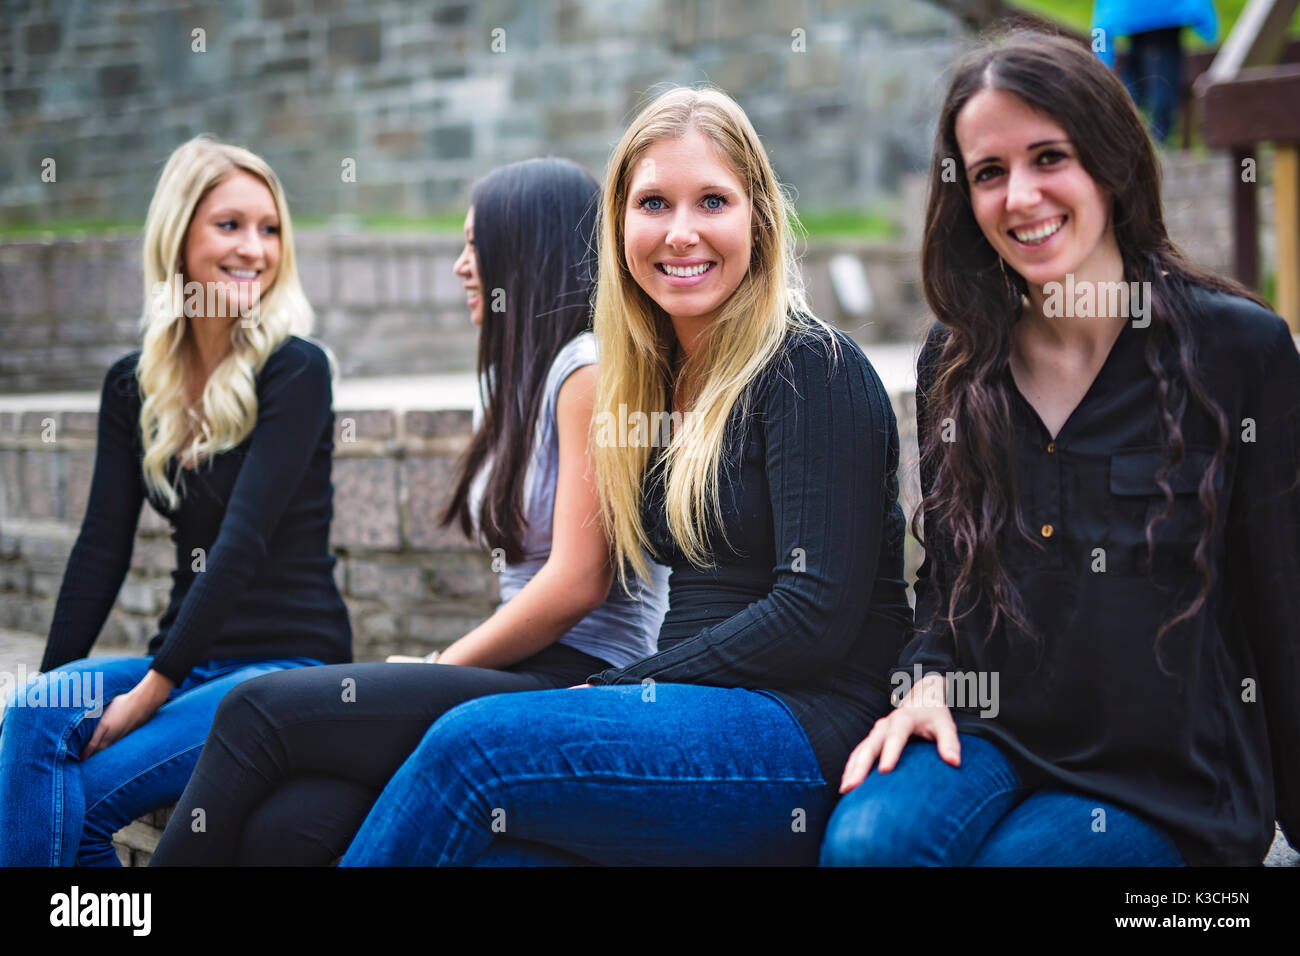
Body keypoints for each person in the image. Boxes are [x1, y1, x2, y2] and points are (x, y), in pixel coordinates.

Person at [339, 86, 913, 867]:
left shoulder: (812, 366)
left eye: (712, 200)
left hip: (805, 727)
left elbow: (812, 613)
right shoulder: (653, 381)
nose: (681, 233)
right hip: (684, 711)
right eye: (653, 204)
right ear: (618, 227)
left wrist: (620, 688)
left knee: (470, 748)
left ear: (760, 219)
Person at [821, 31, 1299, 867]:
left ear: (1110, 163)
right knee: (870, 845)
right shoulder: (957, 358)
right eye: (989, 173)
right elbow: (946, 584)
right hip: (993, 734)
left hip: (1166, 780)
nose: (1021, 197)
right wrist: (928, 679)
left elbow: (1284, 603)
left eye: (1050, 157)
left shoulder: (1240, 352)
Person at [150, 157, 669, 866]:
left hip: (582, 674)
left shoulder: (588, 370)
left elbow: (579, 581)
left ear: (528, 247)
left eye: (475, 246)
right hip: (521, 667)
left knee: (255, 712)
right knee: (291, 825)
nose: (460, 266)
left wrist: (443, 662)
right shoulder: (507, 379)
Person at [0, 136, 350, 866]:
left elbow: (242, 541)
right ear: (178, 235)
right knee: (32, 714)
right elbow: (101, 546)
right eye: (230, 225)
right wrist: (61, 694)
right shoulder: (133, 384)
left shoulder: (296, 370)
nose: (255, 248)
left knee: (88, 800)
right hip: (191, 659)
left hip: (286, 667)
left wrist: (152, 689)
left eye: (271, 228)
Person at [1091, 0, 1217, 143]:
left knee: (1140, 98)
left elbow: (1101, 26)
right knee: (1159, 99)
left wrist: (1102, 58)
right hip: (1165, 34)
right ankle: (1152, 141)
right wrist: (1209, 30)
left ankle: (1138, 141)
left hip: (1143, 32)